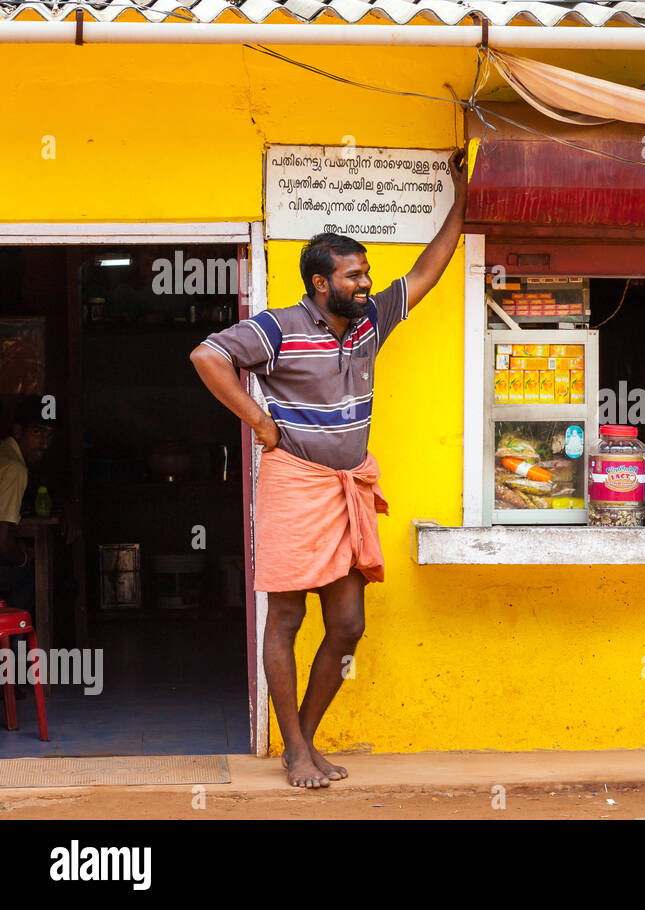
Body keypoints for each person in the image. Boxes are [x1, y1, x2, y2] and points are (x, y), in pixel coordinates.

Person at [190, 154, 467, 789]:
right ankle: (293, 750)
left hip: (349, 489)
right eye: (354, 275)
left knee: (348, 624)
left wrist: (463, 198)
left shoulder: (370, 323)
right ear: (321, 284)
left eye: (367, 272)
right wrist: (260, 425)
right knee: (286, 618)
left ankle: (305, 741)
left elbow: (428, 268)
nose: (367, 282)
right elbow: (207, 356)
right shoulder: (279, 329)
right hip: (294, 486)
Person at [0, 396, 55, 618]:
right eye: (38, 432)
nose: (44, 442)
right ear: (18, 431)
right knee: (31, 577)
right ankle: (12, 650)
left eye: (49, 435)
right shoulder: (14, 468)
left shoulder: (5, 453)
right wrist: (24, 558)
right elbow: (3, 542)